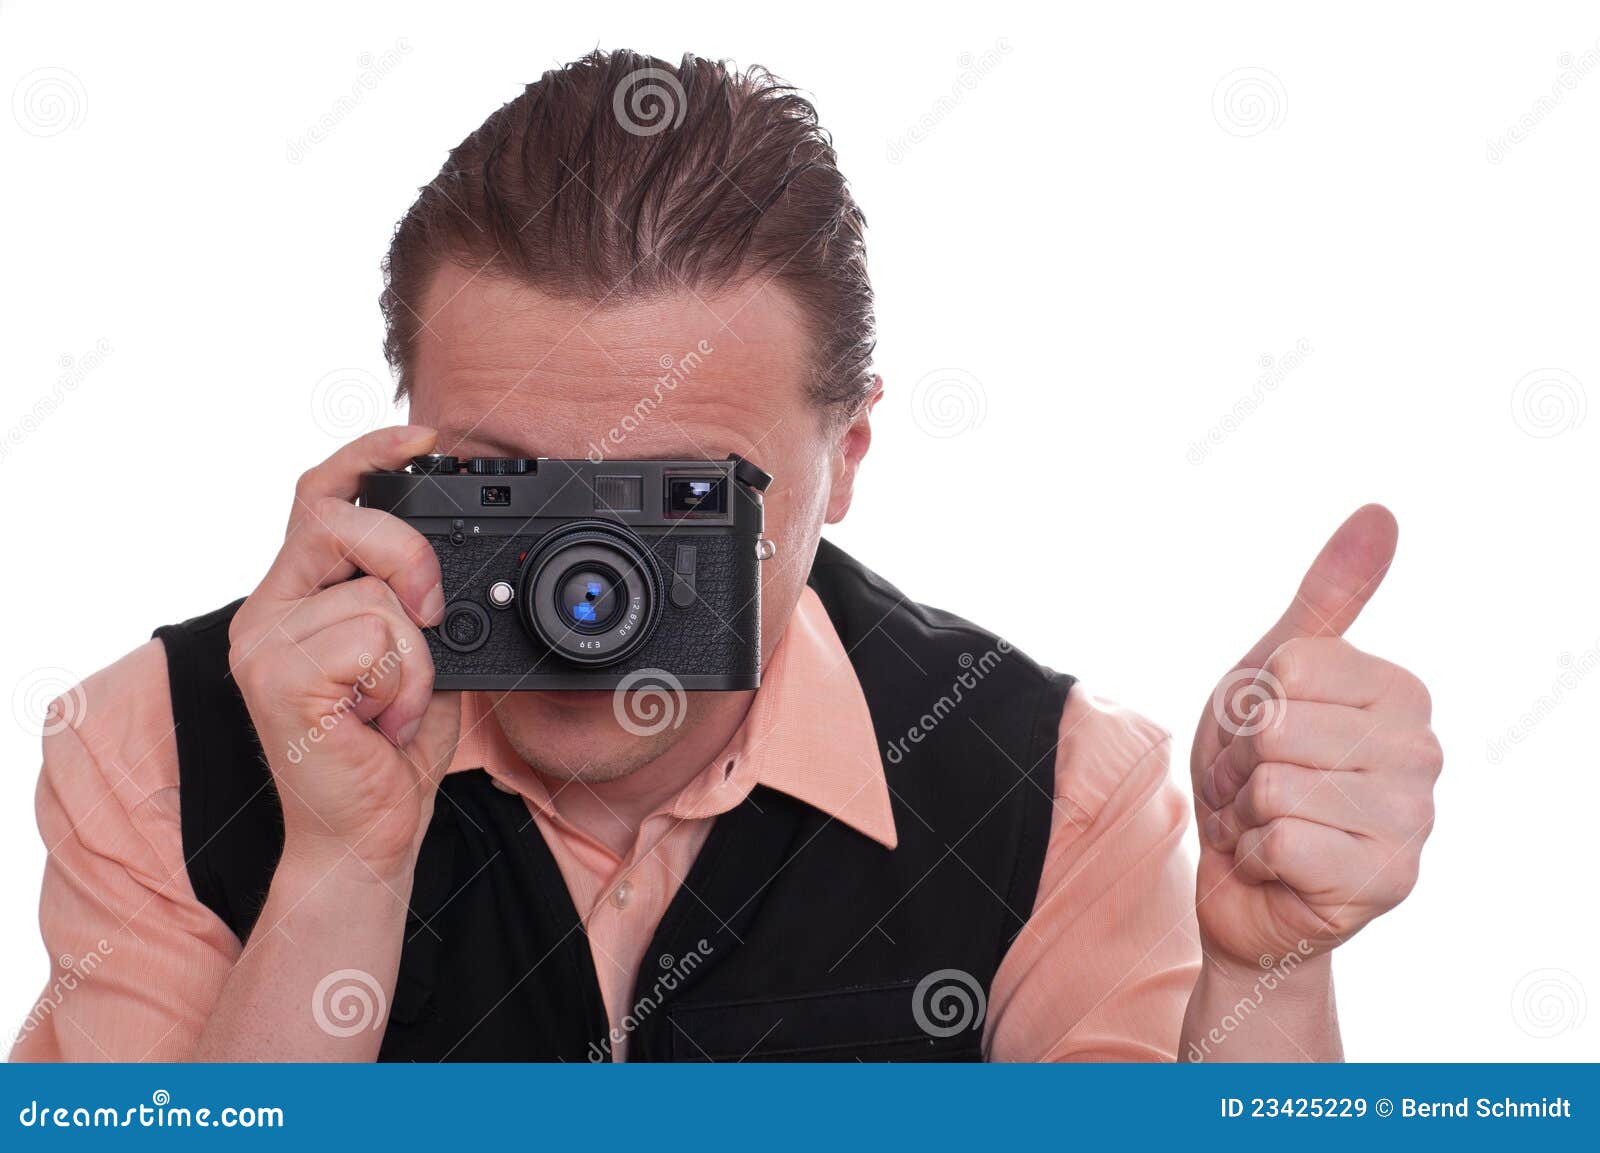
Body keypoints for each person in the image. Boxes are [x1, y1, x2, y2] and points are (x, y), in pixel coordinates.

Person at [12, 50, 1440, 1062]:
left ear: (848, 459)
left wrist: (1271, 967)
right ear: (400, 448)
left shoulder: (1054, 789)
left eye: (681, 496)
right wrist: (338, 868)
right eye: (504, 481)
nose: (589, 586)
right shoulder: (156, 748)